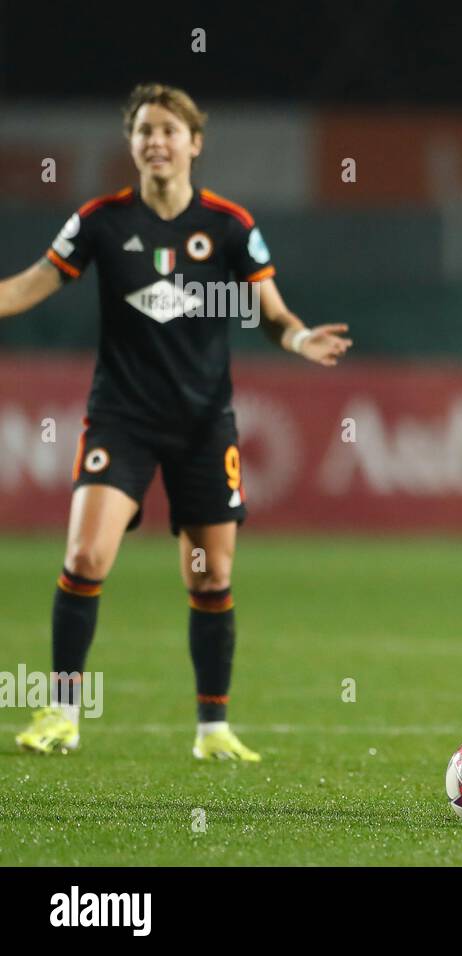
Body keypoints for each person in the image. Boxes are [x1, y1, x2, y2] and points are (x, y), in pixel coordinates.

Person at [1, 83, 352, 760]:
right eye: (144, 131)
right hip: (120, 421)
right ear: (130, 144)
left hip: (202, 428)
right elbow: (25, 286)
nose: (156, 141)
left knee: (210, 577)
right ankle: (62, 712)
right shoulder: (99, 221)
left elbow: (272, 313)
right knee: (84, 555)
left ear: (195, 142)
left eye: (169, 130)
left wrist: (299, 338)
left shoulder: (229, 226)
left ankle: (212, 728)